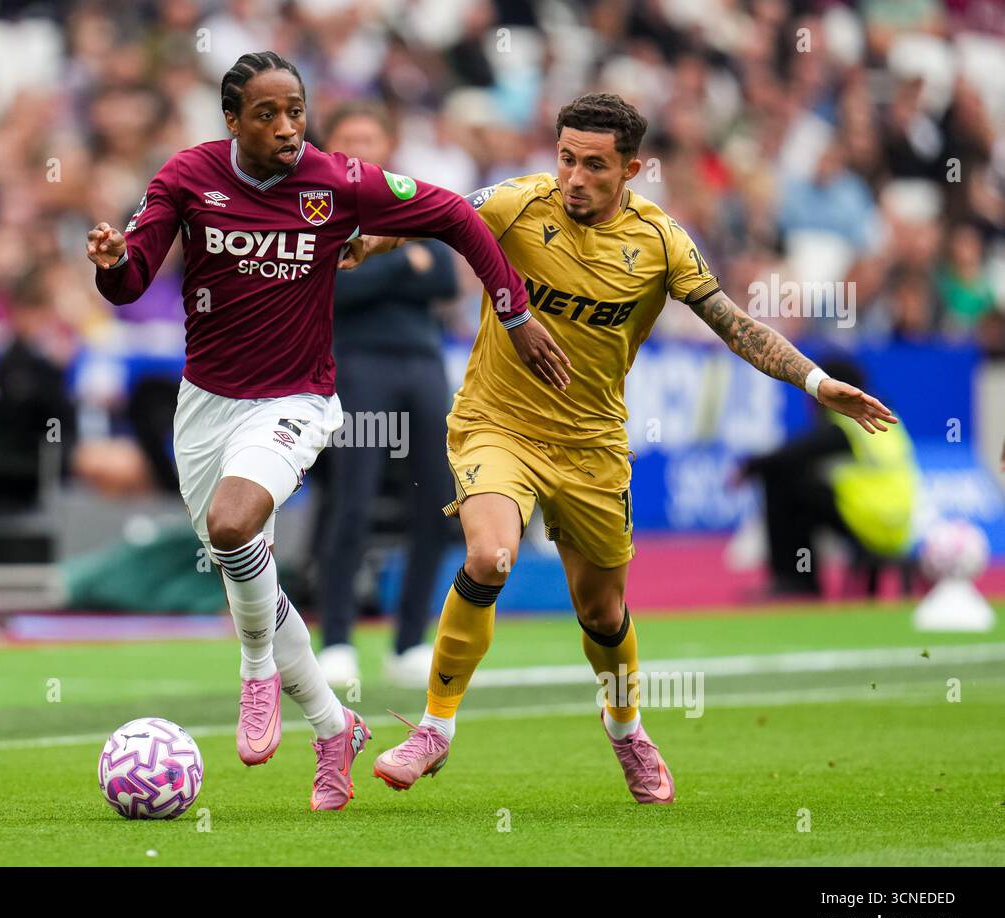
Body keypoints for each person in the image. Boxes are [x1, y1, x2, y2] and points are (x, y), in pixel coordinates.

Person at [354, 93, 895, 804]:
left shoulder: (662, 242)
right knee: (489, 555)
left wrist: (817, 380)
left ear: (632, 169)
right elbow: (436, 216)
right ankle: (435, 728)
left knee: (603, 614)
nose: (575, 178)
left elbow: (734, 324)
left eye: (595, 166)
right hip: (498, 423)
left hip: (591, 444)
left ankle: (627, 729)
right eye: (566, 159)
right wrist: (363, 242)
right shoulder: (518, 203)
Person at [87, 51, 567, 811]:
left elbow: (454, 215)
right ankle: (334, 726)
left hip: (295, 400)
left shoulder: (338, 182)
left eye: (296, 111)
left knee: (234, 525)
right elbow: (129, 283)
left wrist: (515, 312)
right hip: (205, 406)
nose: (287, 127)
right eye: (268, 114)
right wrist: (112, 262)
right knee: (246, 565)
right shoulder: (185, 176)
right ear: (232, 120)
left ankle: (254, 674)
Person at [314, 102, 458, 689]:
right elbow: (331, 291)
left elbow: (446, 277)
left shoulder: (412, 200)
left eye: (370, 138)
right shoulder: (319, 211)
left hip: (423, 366)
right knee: (353, 497)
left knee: (437, 502)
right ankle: (339, 638)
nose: (360, 149)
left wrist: (374, 261)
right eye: (349, 140)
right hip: (359, 365)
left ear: (390, 143)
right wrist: (403, 260)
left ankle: (409, 641)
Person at [739, 358, 917, 596]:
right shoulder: (889, 417)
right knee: (804, 485)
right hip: (899, 527)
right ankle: (801, 578)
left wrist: (747, 468)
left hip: (868, 523)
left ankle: (794, 581)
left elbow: (787, 455)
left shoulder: (846, 424)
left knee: (783, 477)